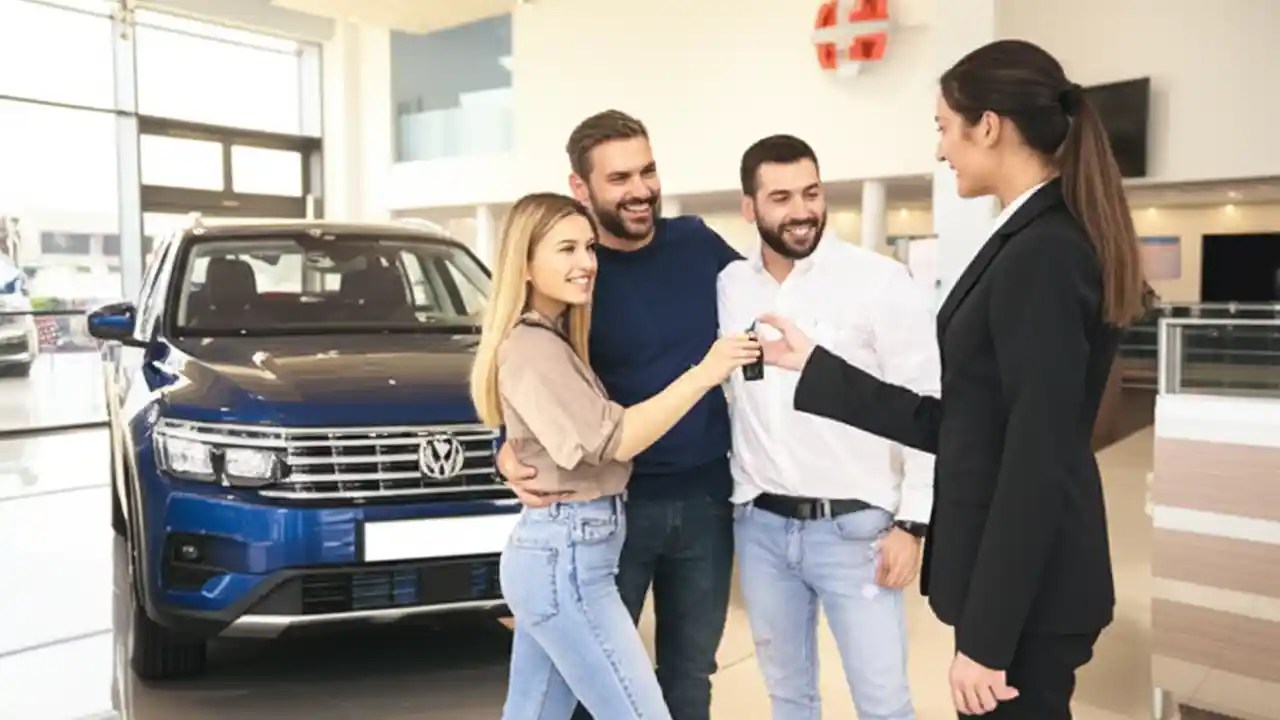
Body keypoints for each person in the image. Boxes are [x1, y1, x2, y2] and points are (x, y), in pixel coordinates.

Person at [758, 39, 1146, 719]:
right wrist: (817, 366)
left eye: (943, 127)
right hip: (1023, 589)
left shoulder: (1043, 252)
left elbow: (1036, 459)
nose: (940, 149)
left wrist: (989, 640)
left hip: (1028, 599)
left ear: (988, 126)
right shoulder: (1031, 237)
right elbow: (969, 424)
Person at [470, 192, 760, 720]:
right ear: (525, 264)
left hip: (563, 553)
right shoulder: (532, 346)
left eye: (588, 247)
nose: (586, 262)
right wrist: (705, 372)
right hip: (567, 561)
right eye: (566, 249)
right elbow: (612, 440)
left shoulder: (550, 338)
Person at [718, 134, 941, 720]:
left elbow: (927, 406)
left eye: (811, 193)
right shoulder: (731, 285)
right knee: (789, 698)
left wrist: (912, 523)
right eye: (781, 197)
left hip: (858, 531)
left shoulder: (879, 281)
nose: (802, 211)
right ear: (749, 208)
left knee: (883, 704)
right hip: (762, 528)